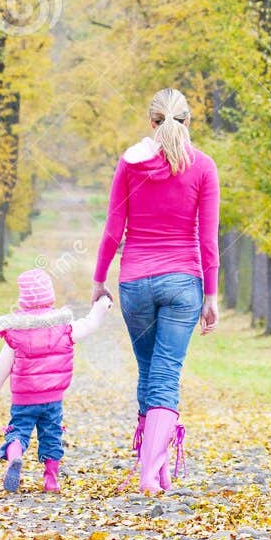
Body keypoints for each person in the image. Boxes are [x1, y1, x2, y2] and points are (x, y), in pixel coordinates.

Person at [92, 87, 219, 494]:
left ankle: (156, 468)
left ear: (152, 123)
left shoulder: (130, 165)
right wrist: (211, 296)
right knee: (165, 374)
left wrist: (99, 280)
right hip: (183, 283)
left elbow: (114, 229)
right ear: (188, 121)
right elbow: (208, 242)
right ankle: (151, 473)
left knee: (149, 371)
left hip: (135, 283)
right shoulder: (203, 167)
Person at [0, 267, 111, 494]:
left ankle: (15, 456)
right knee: (52, 435)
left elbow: (1, 367)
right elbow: (90, 324)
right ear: (49, 296)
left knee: (19, 431)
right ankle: (51, 481)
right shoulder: (64, 328)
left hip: (23, 399)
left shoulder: (17, 333)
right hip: (52, 399)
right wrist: (101, 305)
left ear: (23, 301)